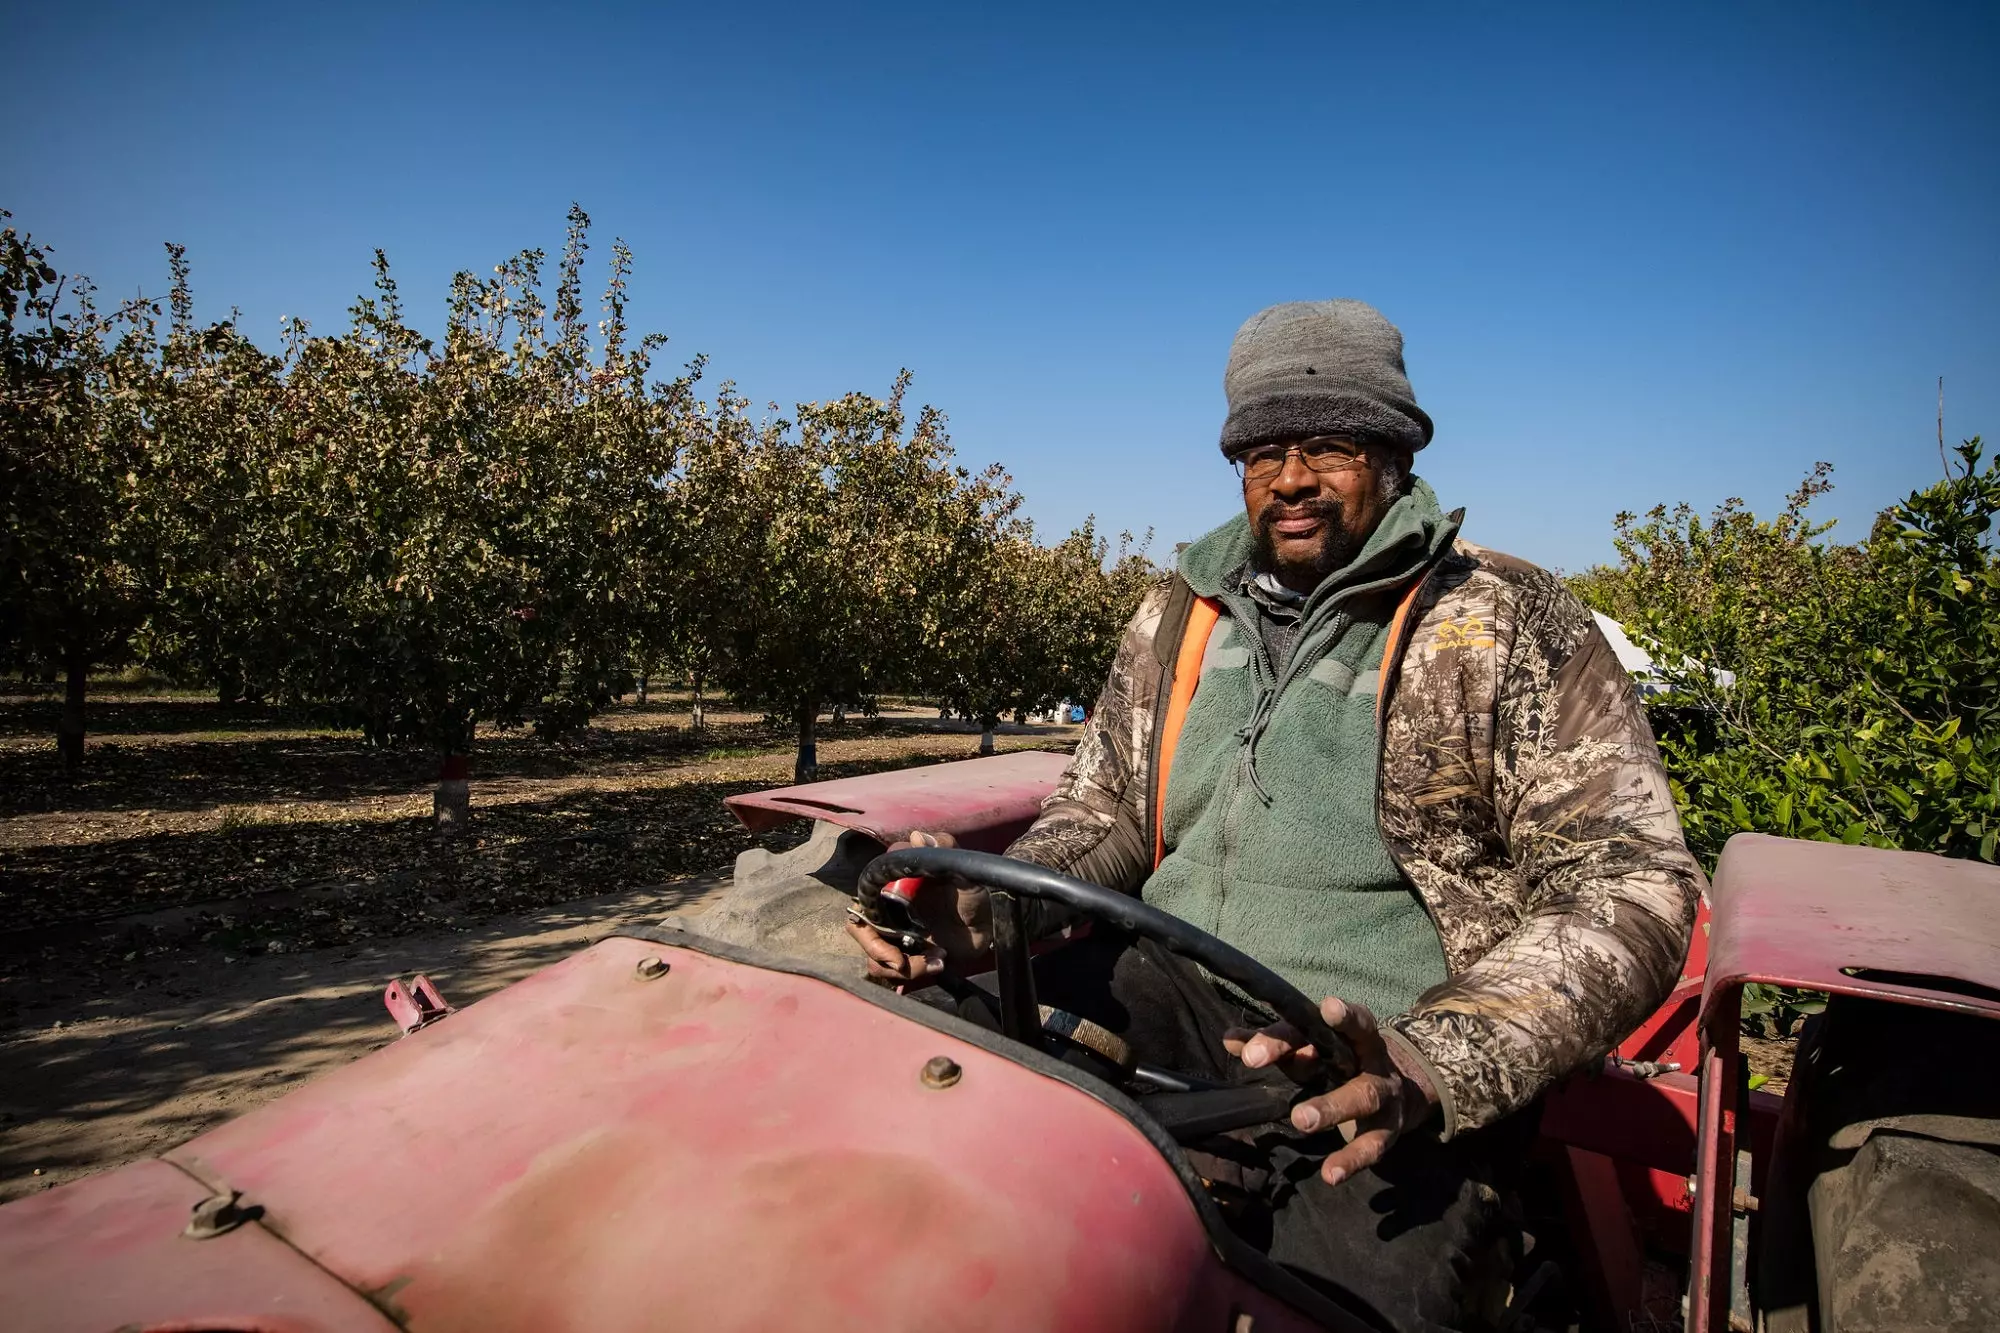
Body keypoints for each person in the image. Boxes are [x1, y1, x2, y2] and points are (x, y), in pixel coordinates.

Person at [847, 299, 1703, 1331]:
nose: (1287, 476)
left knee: (1349, 1305)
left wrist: (1439, 1058)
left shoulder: (1507, 620)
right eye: (1258, 451)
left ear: (1392, 455)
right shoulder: (1180, 612)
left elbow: (1629, 884)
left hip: (1382, 1051)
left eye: (1325, 445)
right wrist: (977, 919)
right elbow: (1103, 810)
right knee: (909, 1122)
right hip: (1161, 985)